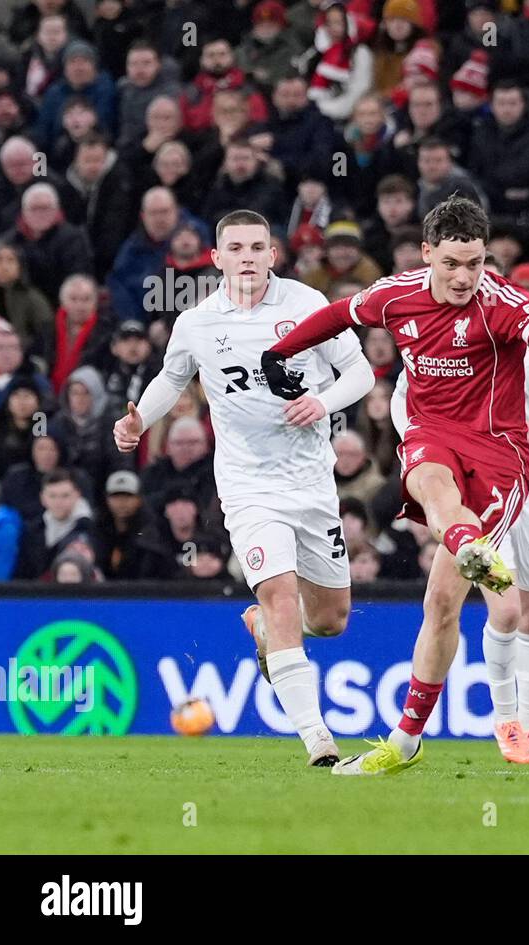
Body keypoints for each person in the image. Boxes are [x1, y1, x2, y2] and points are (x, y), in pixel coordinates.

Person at [263, 195, 529, 776]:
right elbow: (340, 314)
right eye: (453, 264)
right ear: (427, 254)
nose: (465, 277)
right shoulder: (397, 294)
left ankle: (406, 741)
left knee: (440, 606)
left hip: (499, 454)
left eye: (476, 263)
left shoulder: (501, 303)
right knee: (432, 484)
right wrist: (280, 352)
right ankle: (467, 543)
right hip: (433, 436)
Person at [112, 210, 375, 767]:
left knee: (329, 620)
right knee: (278, 594)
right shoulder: (198, 323)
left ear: (273, 254)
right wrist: (139, 421)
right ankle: (320, 746)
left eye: (258, 246)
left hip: (311, 483)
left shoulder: (308, 307)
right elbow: (171, 378)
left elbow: (363, 374)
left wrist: (322, 402)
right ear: (217, 258)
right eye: (237, 248)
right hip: (248, 486)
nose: (248, 257)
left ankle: (263, 629)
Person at [390, 326, 529, 765]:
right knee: (507, 609)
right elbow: (401, 398)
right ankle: (505, 720)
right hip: (482, 496)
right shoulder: (436, 357)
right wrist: (424, 445)